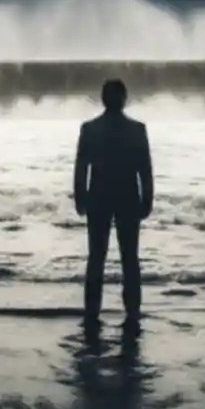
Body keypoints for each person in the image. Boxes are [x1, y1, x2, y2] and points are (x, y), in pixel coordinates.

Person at [74, 79, 154, 325]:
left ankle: (92, 310)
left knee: (96, 256)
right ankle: (132, 311)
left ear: (102, 99)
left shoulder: (90, 129)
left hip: (98, 197)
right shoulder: (137, 129)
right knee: (130, 258)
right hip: (128, 197)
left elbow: (81, 168)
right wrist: (147, 198)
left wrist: (80, 197)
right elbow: (145, 169)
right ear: (124, 99)